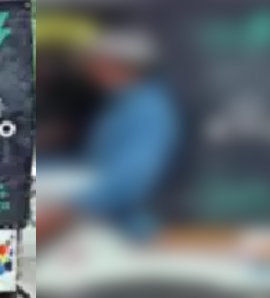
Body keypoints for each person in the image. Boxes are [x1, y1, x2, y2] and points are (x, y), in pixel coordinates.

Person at [35, 29, 178, 248]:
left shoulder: (146, 108)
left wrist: (62, 214)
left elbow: (127, 179)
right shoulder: (118, 104)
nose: (86, 70)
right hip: (89, 223)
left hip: (114, 234)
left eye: (93, 63)